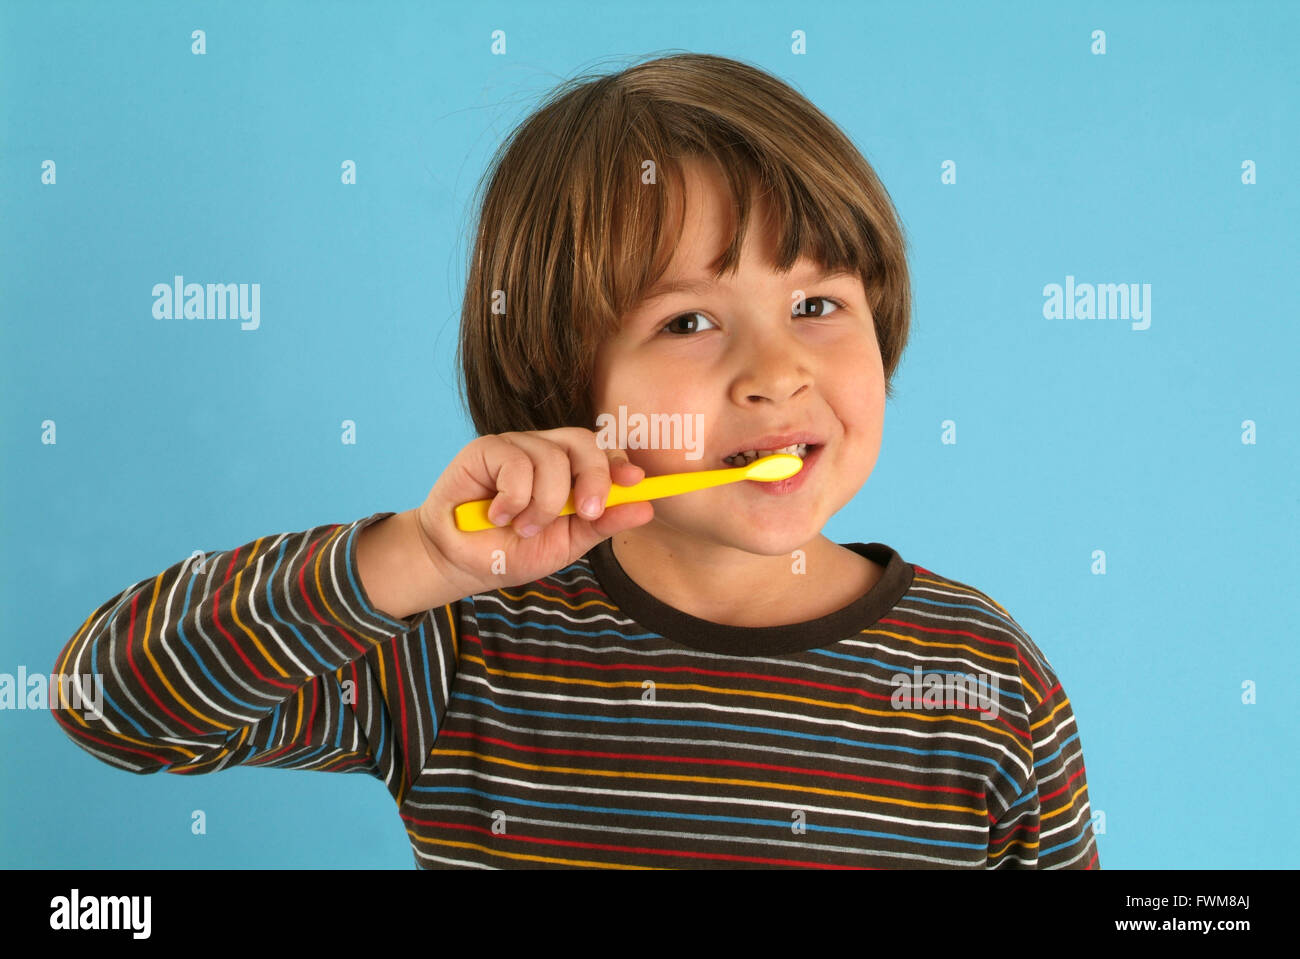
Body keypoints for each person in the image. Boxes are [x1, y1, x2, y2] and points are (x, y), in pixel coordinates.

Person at [50, 52, 1099, 869]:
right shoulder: (468, 638)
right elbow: (107, 698)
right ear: (563, 382)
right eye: (689, 320)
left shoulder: (977, 673)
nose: (776, 374)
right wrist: (418, 559)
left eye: (816, 305)